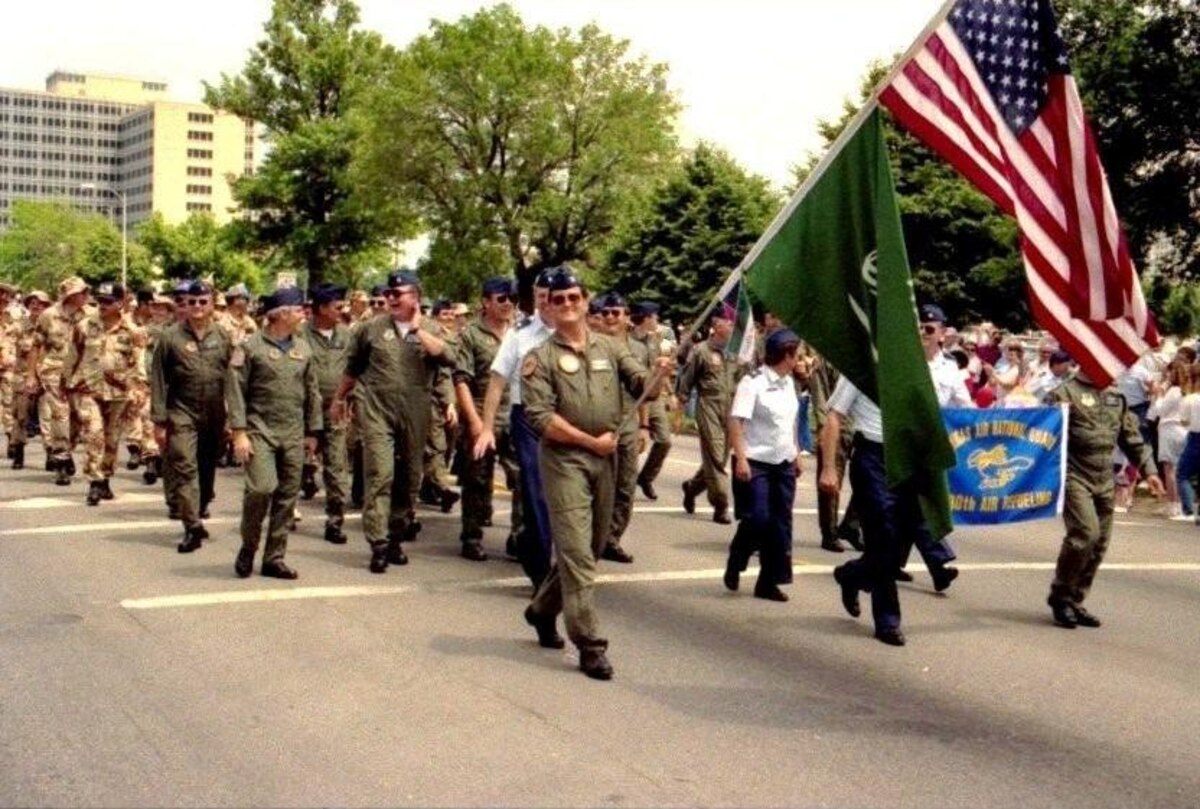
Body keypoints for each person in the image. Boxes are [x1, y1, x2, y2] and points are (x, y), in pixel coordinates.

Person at [520, 268, 671, 680]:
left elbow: (644, 386)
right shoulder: (539, 358)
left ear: (586, 301)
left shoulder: (610, 347)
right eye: (558, 299)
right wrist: (589, 442)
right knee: (576, 552)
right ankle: (589, 643)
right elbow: (540, 417)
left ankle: (540, 609)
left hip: (605, 460)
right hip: (565, 460)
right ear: (547, 307)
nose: (567, 305)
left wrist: (659, 372)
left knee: (593, 543)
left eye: (573, 297)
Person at [331, 269, 456, 574]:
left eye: (398, 294)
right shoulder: (371, 329)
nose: (391, 299)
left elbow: (449, 359)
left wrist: (418, 332)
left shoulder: (432, 329)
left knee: (409, 477)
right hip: (377, 410)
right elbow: (354, 366)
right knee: (380, 474)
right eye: (388, 294)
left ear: (416, 296)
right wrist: (339, 397)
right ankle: (378, 543)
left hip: (415, 411)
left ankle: (397, 534)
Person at [1045, 368, 1163, 628]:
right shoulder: (1064, 394)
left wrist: (1149, 471)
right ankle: (1061, 597)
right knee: (1085, 535)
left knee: (1099, 545)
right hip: (1074, 475)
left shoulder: (1115, 397)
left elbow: (1131, 438)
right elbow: (1043, 434)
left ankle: (1076, 600)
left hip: (1104, 478)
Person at [229, 287, 323, 579]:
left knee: (286, 497)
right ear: (281, 314)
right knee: (261, 488)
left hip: (293, 432)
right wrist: (239, 433)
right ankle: (249, 546)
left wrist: (312, 431)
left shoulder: (303, 348)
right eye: (298, 310)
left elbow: (312, 392)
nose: (303, 315)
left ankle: (274, 557)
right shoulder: (249, 347)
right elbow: (235, 391)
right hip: (260, 431)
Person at [474, 269, 558, 588]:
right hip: (530, 422)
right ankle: (541, 573)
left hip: (571, 420)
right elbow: (496, 383)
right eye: (542, 297)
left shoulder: (578, 333)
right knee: (537, 496)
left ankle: (535, 545)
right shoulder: (520, 334)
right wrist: (486, 429)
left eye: (555, 297)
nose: (549, 304)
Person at [820, 375, 915, 647]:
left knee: (895, 540)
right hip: (871, 455)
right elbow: (835, 416)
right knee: (882, 534)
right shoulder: (860, 368)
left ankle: (851, 575)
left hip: (904, 458)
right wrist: (828, 468)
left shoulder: (912, 368)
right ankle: (888, 620)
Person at [151, 281, 232, 553]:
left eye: (203, 302)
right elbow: (159, 380)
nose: (197, 307)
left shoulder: (222, 336)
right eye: (192, 302)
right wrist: (159, 421)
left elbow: (234, 378)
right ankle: (191, 525)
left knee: (207, 467)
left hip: (215, 414)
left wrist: (235, 418)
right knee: (185, 466)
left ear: (211, 305)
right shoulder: (171, 337)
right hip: (181, 411)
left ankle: (202, 505)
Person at [723, 329, 804, 601]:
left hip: (783, 462)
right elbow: (736, 421)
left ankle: (768, 582)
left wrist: (796, 453)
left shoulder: (789, 382)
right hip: (756, 461)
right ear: (786, 355)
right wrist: (741, 458)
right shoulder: (753, 382)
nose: (800, 360)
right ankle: (738, 558)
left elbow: (790, 420)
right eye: (797, 355)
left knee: (780, 523)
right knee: (758, 518)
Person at [453, 276, 520, 562]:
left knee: (523, 477)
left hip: (515, 414)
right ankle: (472, 535)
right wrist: (475, 422)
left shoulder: (520, 331)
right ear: (486, 302)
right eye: (502, 299)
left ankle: (519, 537)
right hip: (481, 411)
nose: (508, 304)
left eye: (512, 299)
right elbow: (461, 381)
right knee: (477, 479)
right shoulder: (470, 335)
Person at [69, 282, 143, 506]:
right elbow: (73, 355)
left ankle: (106, 478)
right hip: (89, 389)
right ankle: (94, 481)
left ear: (120, 303)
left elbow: (139, 363)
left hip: (119, 392)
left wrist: (138, 388)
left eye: (108, 302)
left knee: (111, 439)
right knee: (94, 433)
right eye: (99, 301)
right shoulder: (84, 326)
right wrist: (68, 383)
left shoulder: (133, 331)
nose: (102, 305)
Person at [595, 291, 649, 564]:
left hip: (628, 422)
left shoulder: (639, 349)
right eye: (605, 313)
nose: (609, 317)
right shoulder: (593, 345)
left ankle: (612, 538)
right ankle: (594, 537)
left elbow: (646, 390)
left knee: (626, 485)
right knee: (599, 485)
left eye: (616, 313)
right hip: (599, 422)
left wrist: (645, 426)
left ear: (627, 317)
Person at [301, 283, 354, 544]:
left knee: (336, 466)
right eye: (337, 307)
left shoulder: (347, 336)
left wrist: (351, 400)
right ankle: (286, 509)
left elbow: (356, 371)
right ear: (321, 308)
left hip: (336, 409)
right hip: (301, 411)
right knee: (294, 464)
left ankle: (335, 520)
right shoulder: (299, 335)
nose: (342, 311)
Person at [30, 276, 92, 485]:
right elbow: (36, 345)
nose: (85, 296)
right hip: (54, 370)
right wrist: (32, 376)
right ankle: (61, 460)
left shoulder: (90, 315)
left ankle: (69, 449)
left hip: (79, 373)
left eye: (85, 292)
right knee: (60, 415)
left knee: (78, 416)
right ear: (70, 295)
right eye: (80, 293)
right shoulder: (49, 315)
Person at [678, 309, 737, 524]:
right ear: (716, 324)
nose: (732, 327)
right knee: (714, 456)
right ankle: (720, 505)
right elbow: (687, 379)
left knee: (718, 459)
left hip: (731, 410)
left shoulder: (734, 352)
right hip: (709, 406)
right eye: (728, 323)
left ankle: (692, 488)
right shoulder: (701, 351)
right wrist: (681, 399)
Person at [630, 301, 676, 500]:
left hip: (653, 396)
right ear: (646, 317)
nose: (657, 321)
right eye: (655, 317)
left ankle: (646, 477)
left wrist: (671, 392)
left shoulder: (654, 340)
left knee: (664, 441)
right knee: (632, 445)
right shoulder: (626, 341)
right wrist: (643, 424)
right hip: (634, 397)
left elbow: (661, 370)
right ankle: (625, 484)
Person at [1148, 360, 1188, 520]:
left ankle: (1174, 505)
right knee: (1177, 468)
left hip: (1170, 429)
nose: (1166, 375)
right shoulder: (1187, 390)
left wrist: (1158, 396)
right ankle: (1176, 504)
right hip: (1182, 429)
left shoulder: (1174, 391)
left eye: (1169, 372)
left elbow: (1160, 410)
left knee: (1170, 469)